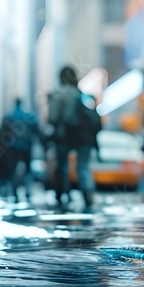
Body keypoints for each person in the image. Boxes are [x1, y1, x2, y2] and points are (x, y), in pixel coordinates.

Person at [47, 66, 96, 208]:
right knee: (83, 167)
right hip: (84, 137)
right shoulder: (81, 94)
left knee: (62, 167)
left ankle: (62, 194)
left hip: (64, 136)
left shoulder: (58, 93)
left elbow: (53, 117)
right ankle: (88, 195)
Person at [0, 98, 41, 202]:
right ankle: (27, 191)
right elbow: (37, 131)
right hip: (26, 146)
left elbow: (1, 132)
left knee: (12, 169)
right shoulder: (29, 116)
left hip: (12, 147)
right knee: (28, 169)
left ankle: (14, 191)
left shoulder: (9, 116)